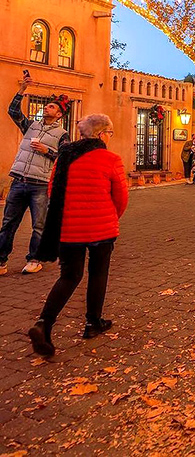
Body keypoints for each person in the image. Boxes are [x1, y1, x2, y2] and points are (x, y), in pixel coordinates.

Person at [28, 113, 128, 356]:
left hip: (68, 229)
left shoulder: (65, 156)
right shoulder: (110, 158)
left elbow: (52, 190)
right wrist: (111, 216)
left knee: (69, 276)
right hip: (101, 228)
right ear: (101, 134)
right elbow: (121, 196)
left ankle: (44, 323)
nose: (110, 137)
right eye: (110, 133)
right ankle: (93, 322)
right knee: (98, 273)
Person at [0, 76, 70, 276]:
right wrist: (22, 89)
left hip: (40, 184)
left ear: (59, 114)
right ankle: (1, 261)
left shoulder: (62, 135)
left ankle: (34, 259)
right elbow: (13, 111)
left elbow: (64, 158)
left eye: (51, 107)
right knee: (8, 224)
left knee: (38, 225)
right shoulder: (31, 126)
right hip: (18, 180)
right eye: (46, 106)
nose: (46, 108)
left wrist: (46, 151)